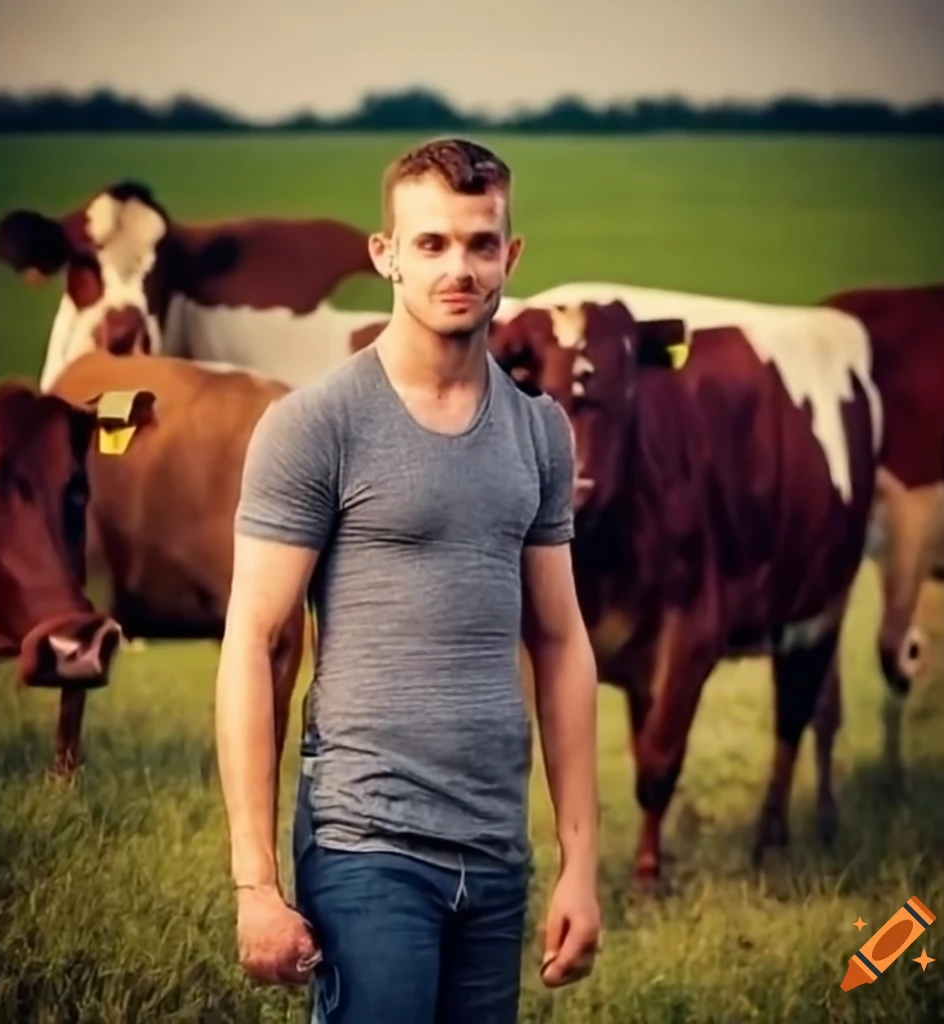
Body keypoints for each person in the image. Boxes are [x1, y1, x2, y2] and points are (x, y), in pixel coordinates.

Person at [215, 136, 601, 1023]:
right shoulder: (316, 425)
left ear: (511, 255)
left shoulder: (540, 434)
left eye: (478, 242)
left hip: (497, 855)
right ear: (385, 255)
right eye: (430, 243)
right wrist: (254, 882)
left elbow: (560, 641)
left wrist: (580, 864)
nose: (457, 266)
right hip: (366, 846)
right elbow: (257, 643)